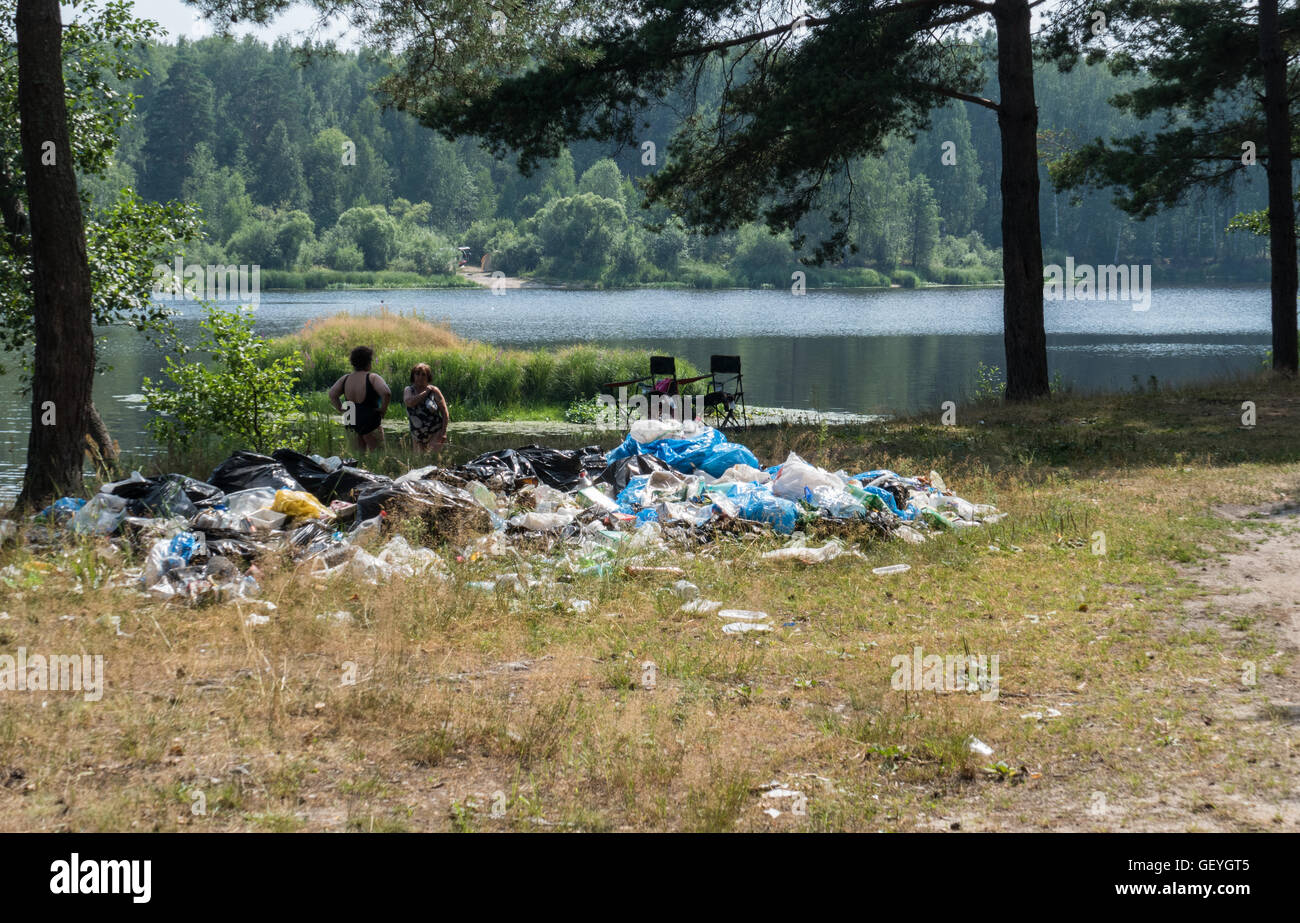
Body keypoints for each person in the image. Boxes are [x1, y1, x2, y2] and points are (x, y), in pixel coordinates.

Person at [328, 346, 391, 451]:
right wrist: (383, 410)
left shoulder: (345, 378)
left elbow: (332, 394)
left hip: (350, 418)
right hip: (369, 418)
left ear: (353, 363)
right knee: (378, 455)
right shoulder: (372, 377)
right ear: (368, 362)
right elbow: (386, 393)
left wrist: (340, 408)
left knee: (358, 457)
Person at [403, 362, 449, 452]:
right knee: (419, 462)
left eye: (423, 374)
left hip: (435, 431)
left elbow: (445, 412)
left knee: (432, 459)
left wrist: (443, 432)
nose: (420, 377)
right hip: (417, 433)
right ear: (413, 376)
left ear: (428, 377)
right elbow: (410, 402)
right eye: (417, 374)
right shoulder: (409, 390)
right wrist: (425, 393)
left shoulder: (434, 391)